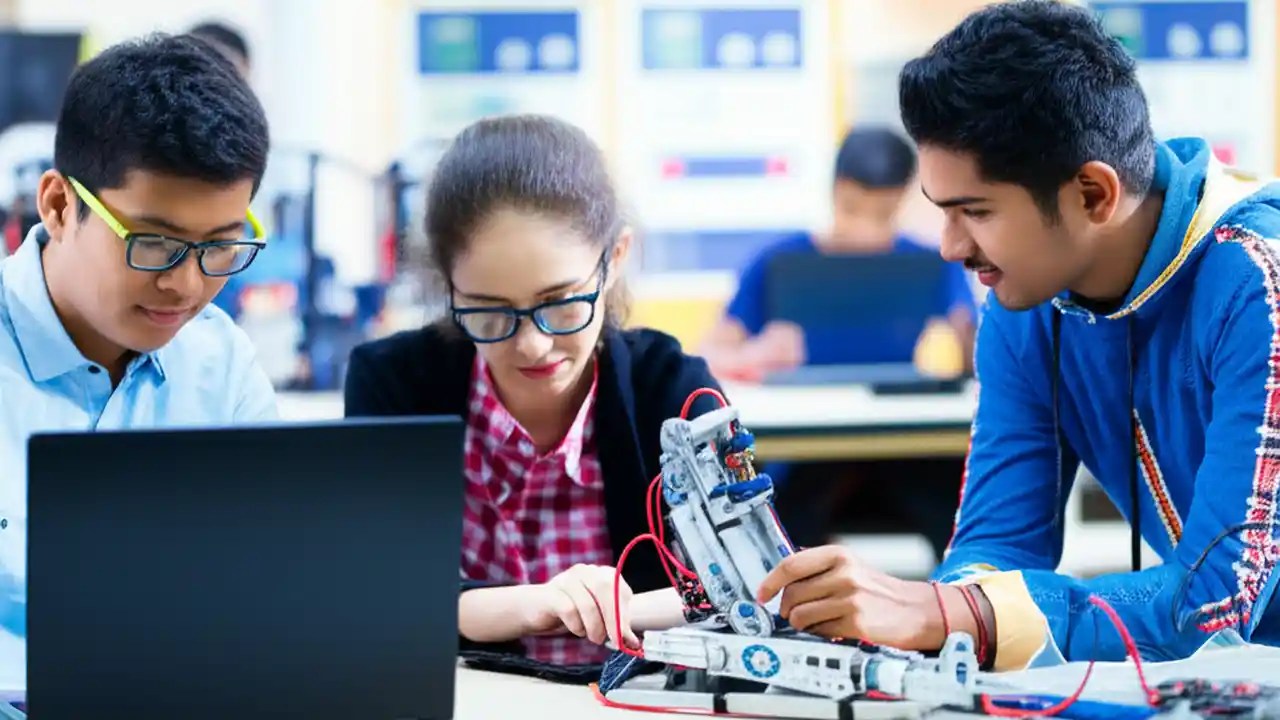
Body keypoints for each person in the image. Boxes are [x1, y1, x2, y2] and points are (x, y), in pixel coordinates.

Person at [753, 0, 1280, 671]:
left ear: (1093, 194)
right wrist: (926, 624)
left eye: (974, 211)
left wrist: (952, 615)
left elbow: (1215, 603)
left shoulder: (1259, 278)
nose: (949, 247)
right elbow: (994, 549)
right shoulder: (1026, 301)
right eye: (942, 213)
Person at [343, 114, 723, 667]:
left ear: (614, 259)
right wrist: (537, 603)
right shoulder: (395, 383)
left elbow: (745, 586)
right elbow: (380, 594)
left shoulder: (671, 390)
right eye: (489, 312)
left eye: (561, 303)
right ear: (448, 286)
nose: (533, 345)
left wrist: (605, 606)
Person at [0, 34, 276, 650]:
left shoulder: (221, 363)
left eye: (220, 246)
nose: (187, 285)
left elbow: (268, 579)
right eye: (153, 243)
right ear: (58, 205)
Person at [700, 125, 977, 380]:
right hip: (800, 410)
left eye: (881, 215)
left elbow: (974, 354)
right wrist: (752, 357)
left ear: (903, 199)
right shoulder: (777, 262)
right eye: (851, 209)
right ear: (834, 190)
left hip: (889, 411)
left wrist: (969, 334)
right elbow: (706, 358)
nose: (863, 232)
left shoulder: (932, 265)